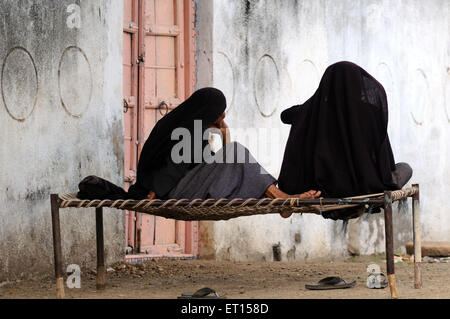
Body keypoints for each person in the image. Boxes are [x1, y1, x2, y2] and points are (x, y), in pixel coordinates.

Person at [127, 87, 321, 203]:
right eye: (220, 111)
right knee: (236, 151)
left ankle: (277, 197)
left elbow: (214, 167)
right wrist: (154, 190)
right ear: (209, 111)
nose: (223, 115)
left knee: (234, 152)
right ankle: (279, 197)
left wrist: (225, 136)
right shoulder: (189, 130)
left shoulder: (192, 127)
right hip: (171, 192)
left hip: (181, 186)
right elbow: (171, 166)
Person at [277, 61, 412, 219]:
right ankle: (356, 204)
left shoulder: (314, 112)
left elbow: (285, 115)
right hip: (365, 188)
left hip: (318, 189)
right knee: (405, 168)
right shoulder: (365, 114)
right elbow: (383, 154)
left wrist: (311, 106)